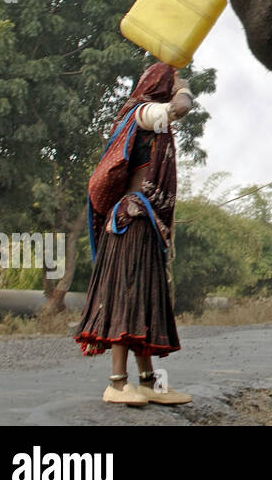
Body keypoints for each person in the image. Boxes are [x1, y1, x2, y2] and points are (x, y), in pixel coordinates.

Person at [75, 62, 193, 406]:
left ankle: (147, 382)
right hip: (130, 221)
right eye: (169, 82)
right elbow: (180, 109)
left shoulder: (150, 122)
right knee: (125, 296)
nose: (174, 87)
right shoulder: (142, 112)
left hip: (144, 223)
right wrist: (182, 87)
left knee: (142, 297)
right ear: (160, 86)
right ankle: (116, 383)